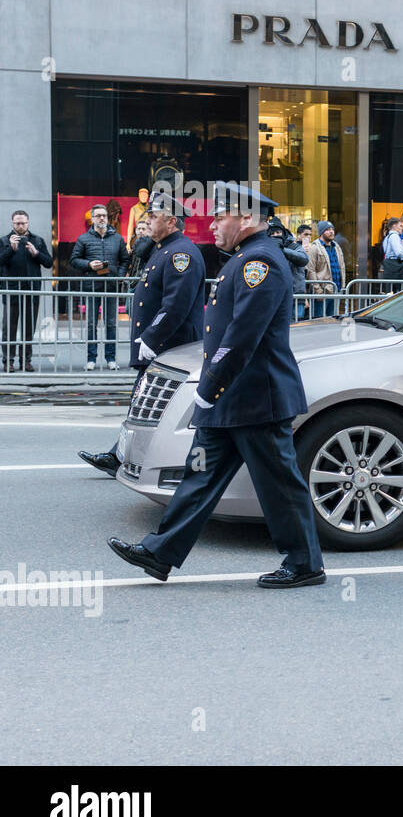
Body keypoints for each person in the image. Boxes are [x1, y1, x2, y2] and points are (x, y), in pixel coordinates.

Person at [106, 182, 326, 589]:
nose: (213, 224)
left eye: (221, 216)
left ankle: (304, 564)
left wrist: (208, 386)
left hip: (257, 397)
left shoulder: (261, 263)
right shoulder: (244, 258)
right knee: (199, 476)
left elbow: (243, 336)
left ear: (246, 219)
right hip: (231, 399)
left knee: (278, 484)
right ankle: (160, 552)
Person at [78, 193, 204, 477]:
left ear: (172, 221)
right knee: (145, 405)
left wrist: (151, 337)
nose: (147, 220)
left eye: (153, 216)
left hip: (171, 347)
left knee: (156, 408)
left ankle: (129, 458)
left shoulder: (181, 254)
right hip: (162, 346)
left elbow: (175, 305)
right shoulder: (163, 249)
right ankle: (119, 456)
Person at [69, 203, 129, 371]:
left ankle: (110, 358)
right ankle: (91, 359)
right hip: (91, 286)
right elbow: (73, 260)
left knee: (111, 323)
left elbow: (125, 259)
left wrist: (119, 275)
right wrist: (89, 264)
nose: (102, 218)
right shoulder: (83, 239)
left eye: (104, 215)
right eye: (98, 216)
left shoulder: (117, 238)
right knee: (91, 324)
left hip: (110, 285)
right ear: (92, 219)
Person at [0, 210, 54, 373]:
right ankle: (8, 361)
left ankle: (26, 361)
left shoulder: (37, 240)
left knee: (28, 329)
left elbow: (49, 262)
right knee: (9, 328)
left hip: (31, 291)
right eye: (17, 223)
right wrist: (11, 249)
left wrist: (36, 253)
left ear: (28, 223)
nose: (20, 226)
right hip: (11, 291)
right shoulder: (4, 241)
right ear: (12, 223)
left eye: (23, 223)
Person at [306, 219, 346, 317]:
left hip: (336, 291)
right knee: (319, 322)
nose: (331, 231)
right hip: (322, 292)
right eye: (328, 229)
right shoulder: (314, 248)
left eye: (332, 229)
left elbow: (342, 267)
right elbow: (311, 270)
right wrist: (317, 290)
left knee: (333, 320)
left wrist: (343, 287)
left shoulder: (337, 247)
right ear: (321, 233)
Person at [268, 217, 308, 312]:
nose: (275, 236)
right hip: (274, 296)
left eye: (278, 233)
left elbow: (304, 259)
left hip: (295, 296)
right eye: (272, 234)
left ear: (283, 232)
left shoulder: (294, 246)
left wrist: (283, 250)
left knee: (298, 325)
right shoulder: (266, 247)